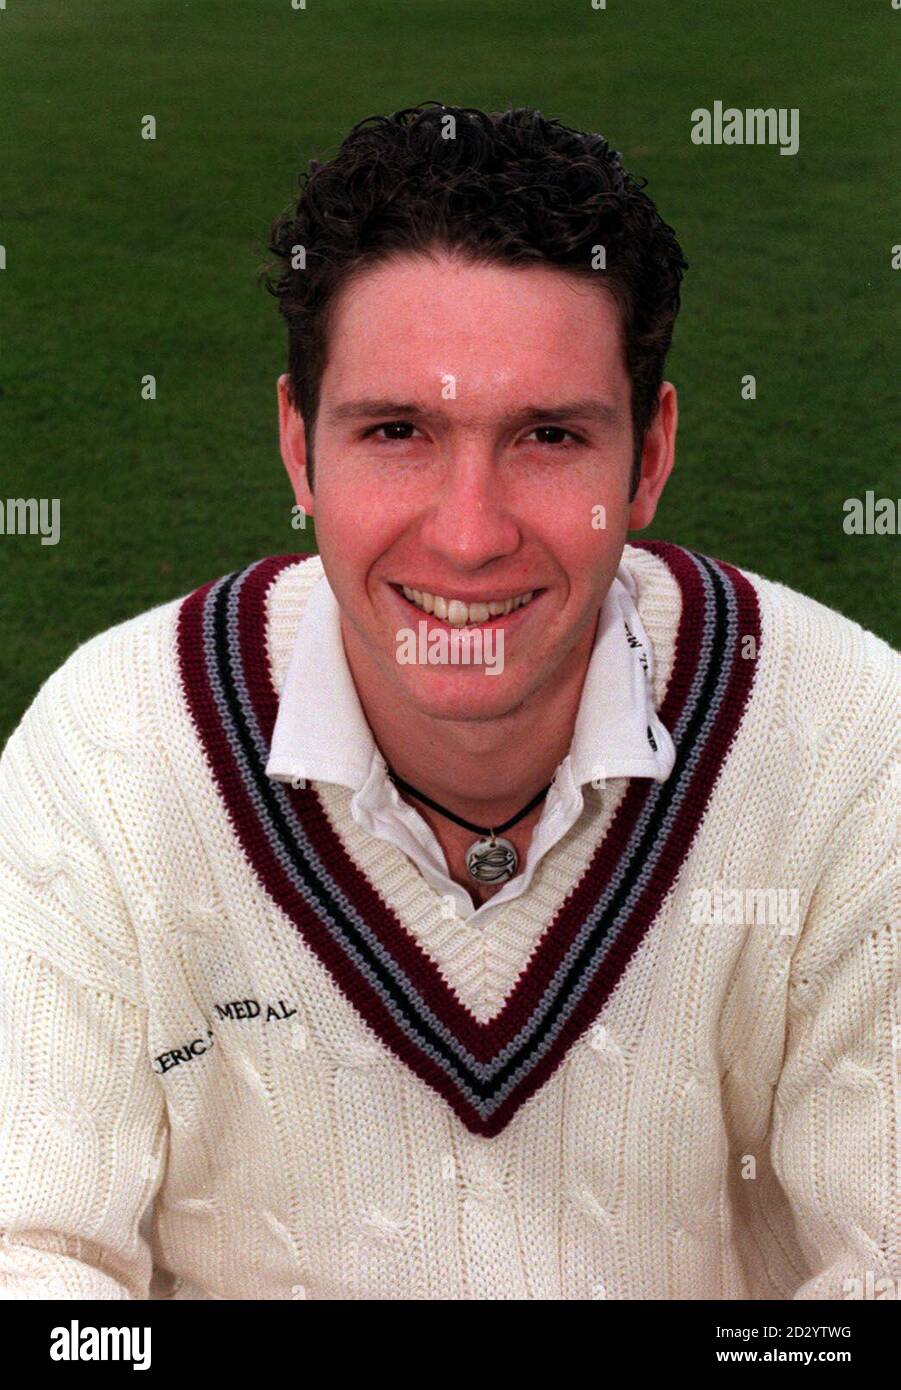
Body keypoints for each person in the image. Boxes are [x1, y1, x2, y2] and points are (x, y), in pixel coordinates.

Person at [0, 104, 896, 1301]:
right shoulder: (109, 749)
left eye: (547, 435)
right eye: (396, 431)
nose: (469, 536)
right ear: (297, 450)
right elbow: (33, 1267)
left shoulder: (850, 738)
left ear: (650, 455)